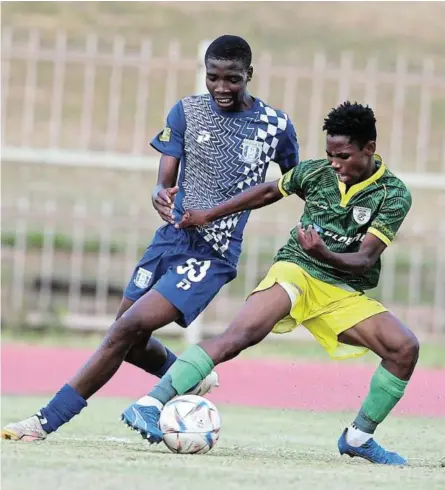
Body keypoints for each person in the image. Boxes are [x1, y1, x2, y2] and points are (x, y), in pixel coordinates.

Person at [2, 34, 299, 442]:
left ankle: (44, 422)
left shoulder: (275, 126)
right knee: (130, 334)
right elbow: (167, 171)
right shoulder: (187, 111)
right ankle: (189, 376)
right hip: (170, 239)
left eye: (232, 79)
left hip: (212, 252)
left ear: (249, 75)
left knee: (125, 330)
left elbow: (290, 182)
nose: (221, 88)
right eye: (213, 77)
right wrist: (161, 191)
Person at [129, 101, 418, 466]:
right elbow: (268, 192)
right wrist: (208, 214)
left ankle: (358, 437)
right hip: (295, 270)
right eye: (330, 154)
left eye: (343, 156)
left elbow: (364, 259)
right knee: (238, 337)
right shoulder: (315, 173)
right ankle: (152, 402)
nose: (334, 164)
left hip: (341, 288)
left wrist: (325, 253)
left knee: (404, 349)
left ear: (369, 149)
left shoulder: (393, 194)